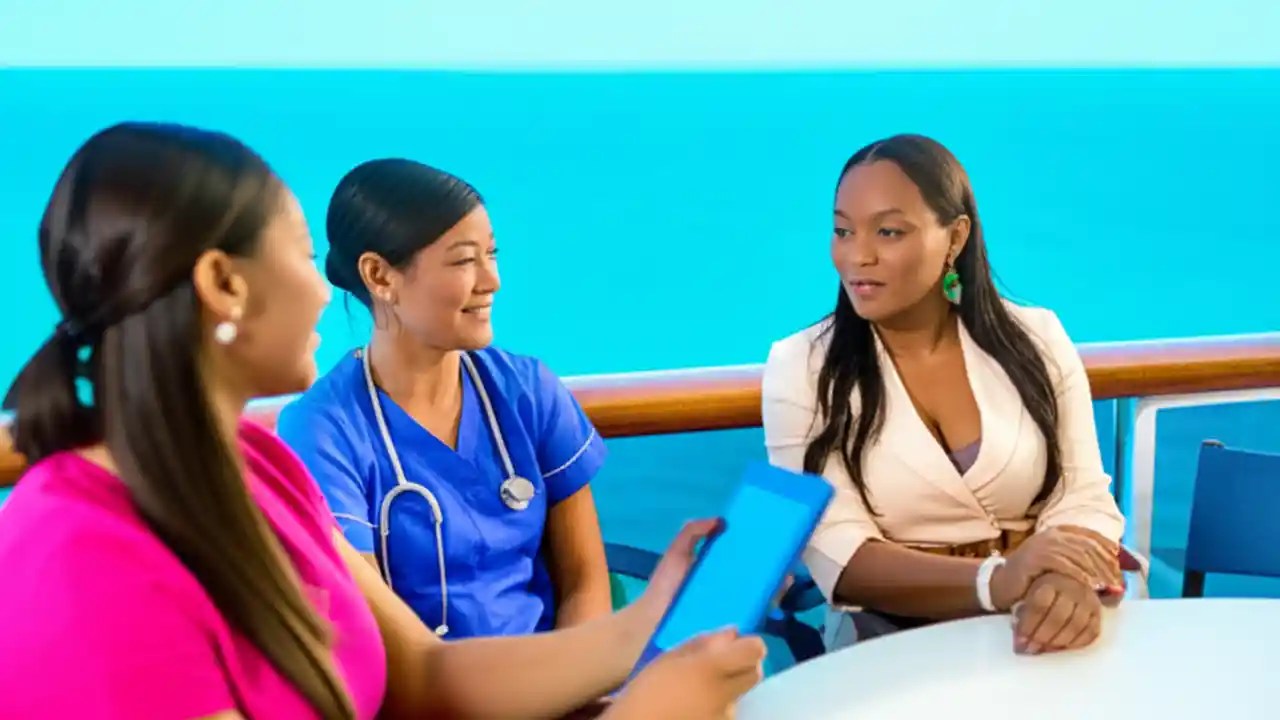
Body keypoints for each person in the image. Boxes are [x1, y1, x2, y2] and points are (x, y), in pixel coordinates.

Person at [0, 122, 764, 719]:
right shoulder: (83, 553)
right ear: (223, 283)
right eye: (302, 255)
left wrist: (649, 628)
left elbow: (424, 678)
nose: (323, 287)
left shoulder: (261, 471)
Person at [761, 134, 1128, 656]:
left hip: (1046, 621)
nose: (857, 256)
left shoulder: (1037, 337)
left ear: (955, 238)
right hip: (890, 643)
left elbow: (1083, 495)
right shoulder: (801, 367)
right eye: (843, 230)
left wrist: (1063, 581)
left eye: (888, 231)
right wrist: (998, 581)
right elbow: (838, 556)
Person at [275, 158, 611, 639]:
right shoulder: (322, 431)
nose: (491, 280)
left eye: (492, 255)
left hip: (563, 680)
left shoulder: (527, 391)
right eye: (463, 260)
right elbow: (369, 634)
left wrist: (580, 686)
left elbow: (586, 583)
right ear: (380, 275)